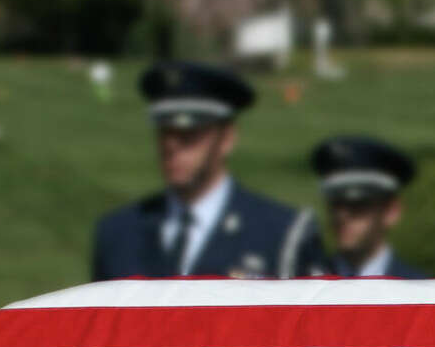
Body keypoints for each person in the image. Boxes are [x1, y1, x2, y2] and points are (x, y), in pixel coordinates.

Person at [91, 61, 325, 282]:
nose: (172, 146)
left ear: (227, 138)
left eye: (189, 134)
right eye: (165, 132)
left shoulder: (281, 235)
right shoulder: (118, 233)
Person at [309, 135, 429, 278]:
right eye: (336, 204)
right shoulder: (307, 283)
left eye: (357, 206)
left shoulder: (419, 291)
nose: (342, 216)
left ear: (391, 212)